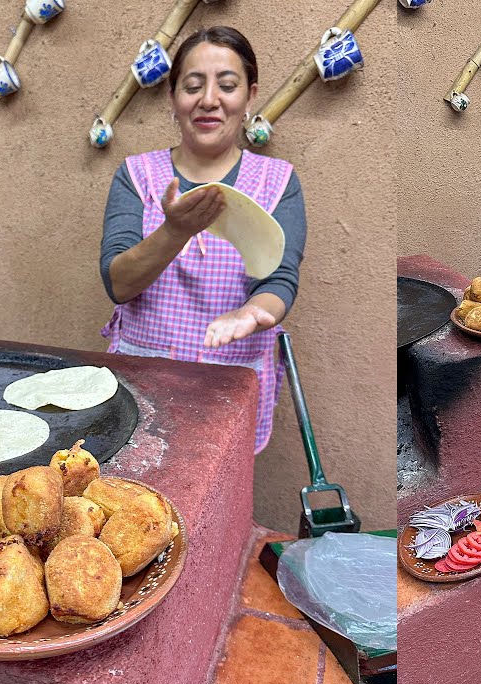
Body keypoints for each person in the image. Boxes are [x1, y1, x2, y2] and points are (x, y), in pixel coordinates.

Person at [100, 26, 306, 454]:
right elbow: (118, 283)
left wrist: (252, 312)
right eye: (192, 86)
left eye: (227, 86)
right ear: (173, 98)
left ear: (249, 96)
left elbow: (279, 278)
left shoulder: (277, 182)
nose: (209, 100)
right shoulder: (137, 176)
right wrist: (174, 231)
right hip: (144, 375)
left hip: (229, 379)